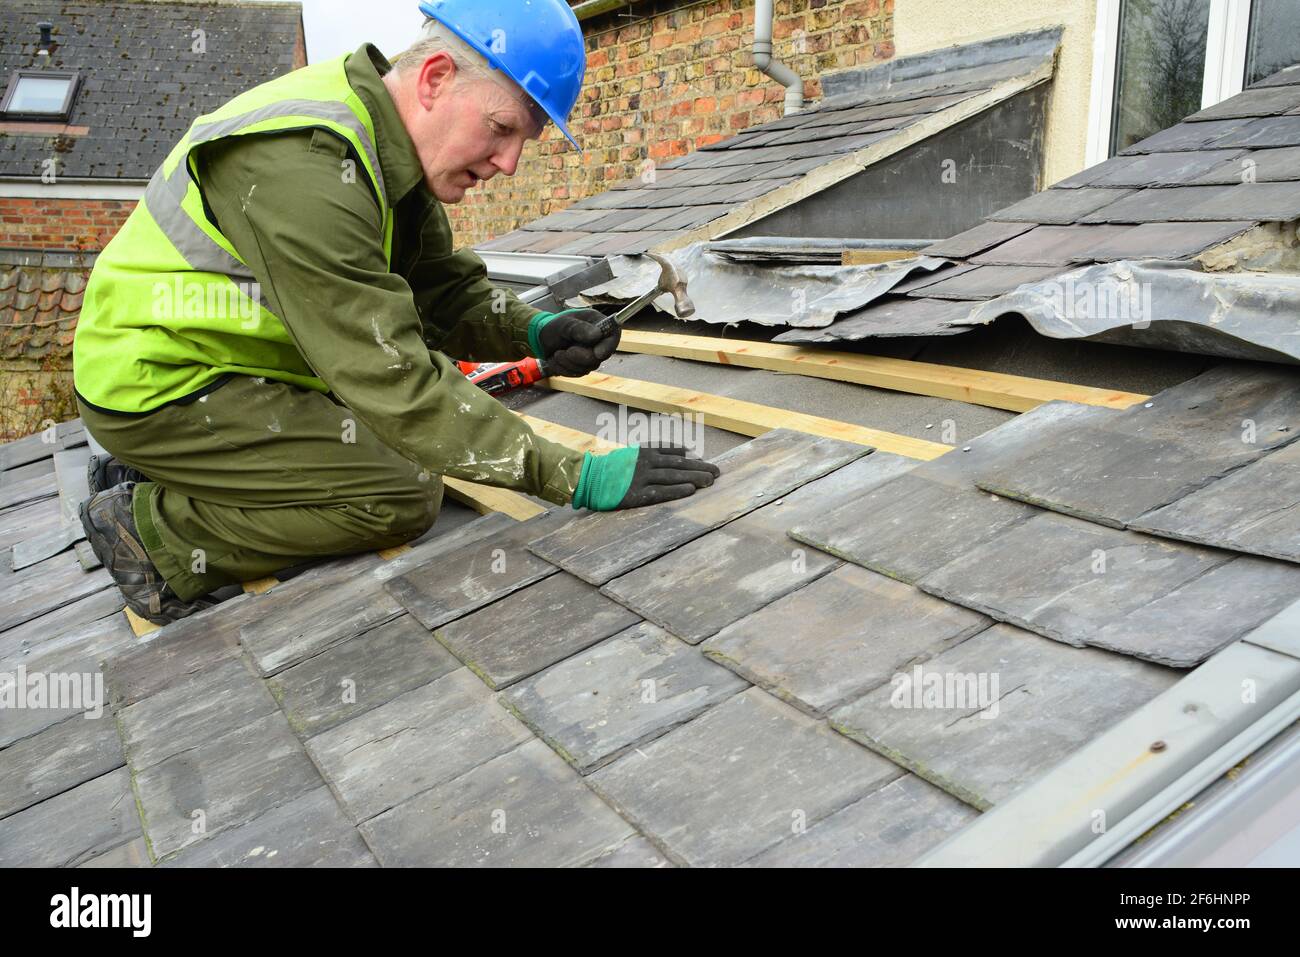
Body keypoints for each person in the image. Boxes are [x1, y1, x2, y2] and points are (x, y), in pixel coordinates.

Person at [72, 0, 719, 625]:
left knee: (398, 442)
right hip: (158, 385)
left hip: (236, 369)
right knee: (398, 491)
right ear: (436, 78)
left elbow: (442, 294)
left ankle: (216, 471)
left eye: (525, 139)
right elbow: (393, 378)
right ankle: (153, 533)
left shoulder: (382, 146)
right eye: (500, 129)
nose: (509, 163)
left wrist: (536, 330)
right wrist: (575, 475)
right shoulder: (307, 168)